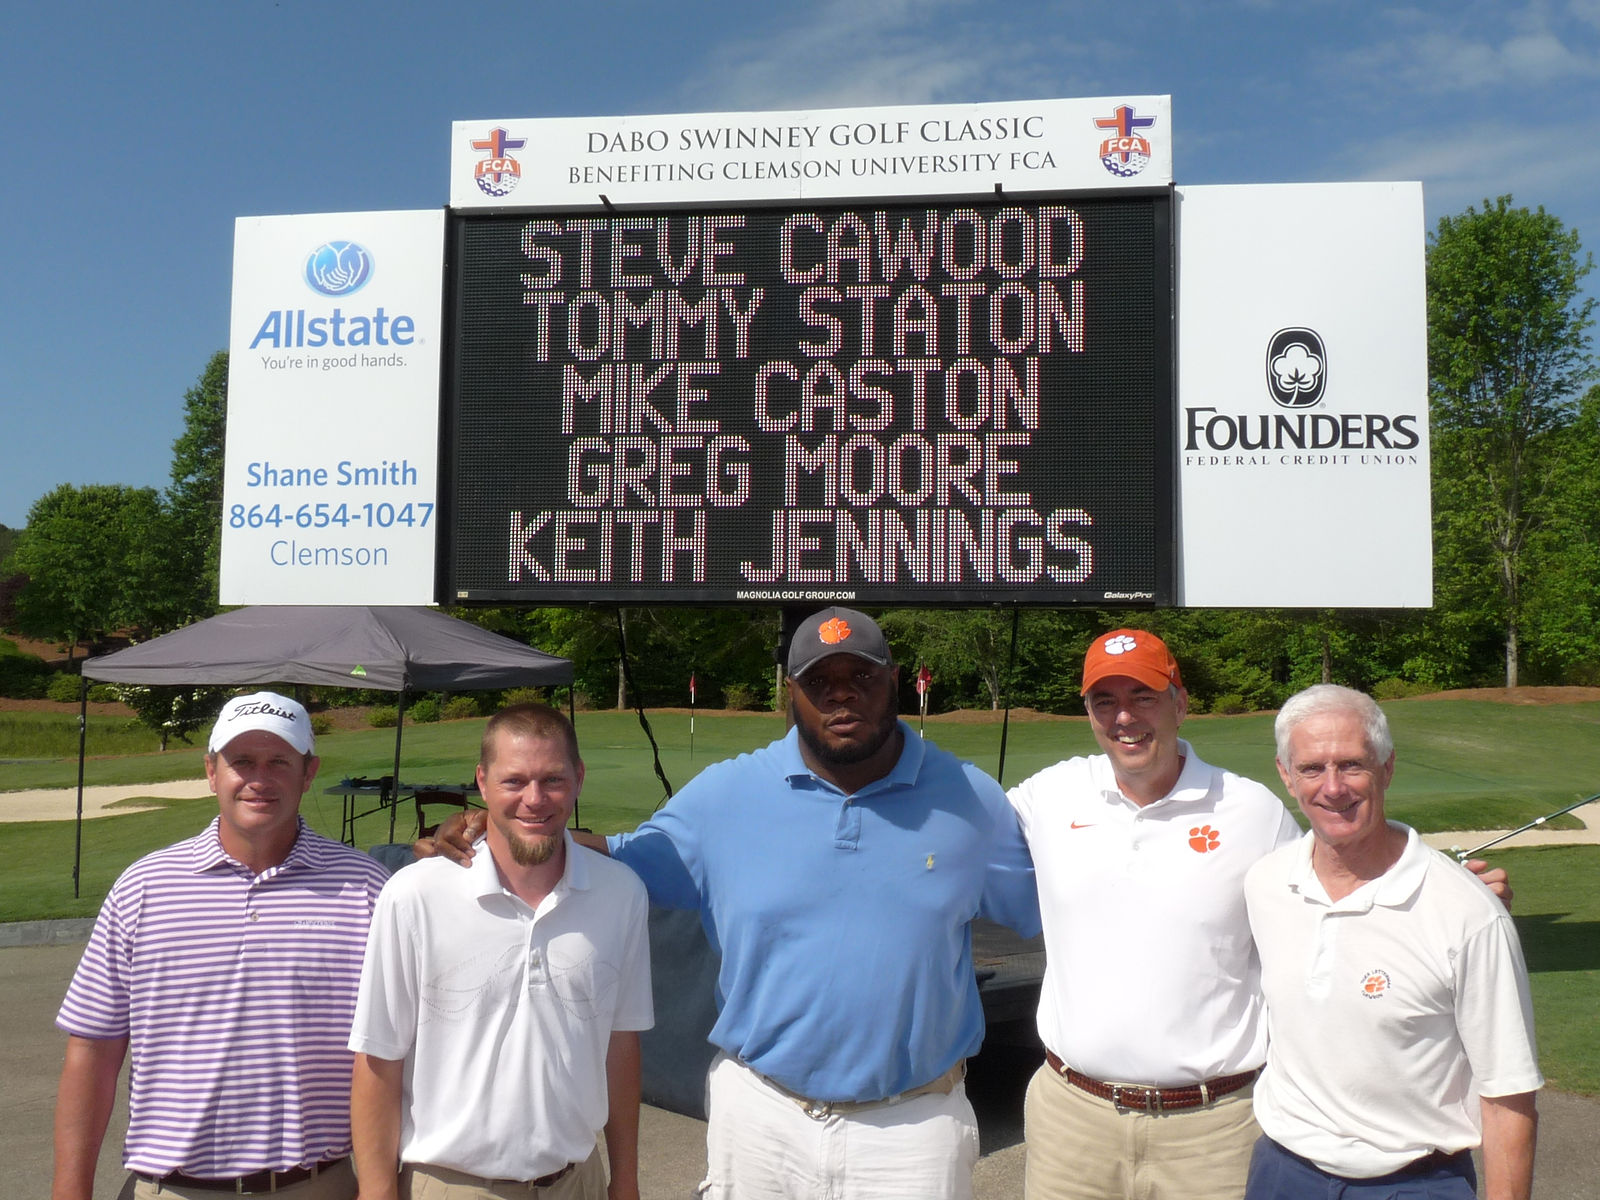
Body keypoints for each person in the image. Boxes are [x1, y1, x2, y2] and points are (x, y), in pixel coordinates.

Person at [422, 607, 1039, 1200]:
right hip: (761, 1116)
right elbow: (620, 855)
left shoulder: (968, 800)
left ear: (895, 683)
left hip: (913, 1124)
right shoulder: (726, 794)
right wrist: (499, 830)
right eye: (819, 682)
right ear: (789, 694)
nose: (841, 696)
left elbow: (1057, 908)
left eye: (862, 678)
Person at [1006, 630, 1511, 1200]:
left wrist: (1449, 894)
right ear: (1090, 713)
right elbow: (950, 839)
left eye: (1144, 696)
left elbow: (1336, 886)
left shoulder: (1252, 812)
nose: (1125, 717)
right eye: (1106, 701)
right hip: (1073, 1119)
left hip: (1213, 1129)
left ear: (1180, 702)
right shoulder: (1047, 796)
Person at [53, 692, 391, 1200]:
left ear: (309, 772)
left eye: (280, 761)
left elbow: (388, 1053)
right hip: (171, 1188)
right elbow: (93, 1050)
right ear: (212, 771)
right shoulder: (144, 887)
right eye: (242, 761)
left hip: (316, 1185)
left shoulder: (365, 887)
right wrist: (69, 1190)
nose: (259, 778)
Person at [1243, 684, 1540, 1200]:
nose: (1333, 788)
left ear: (1387, 768)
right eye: (1313, 768)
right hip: (1282, 1172)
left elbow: (1508, 1097)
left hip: (1414, 1183)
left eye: (1352, 764)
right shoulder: (1266, 883)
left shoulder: (1469, 913)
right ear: (1286, 775)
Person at [349, 703, 653, 1200]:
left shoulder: (622, 894)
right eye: (514, 781)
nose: (534, 799)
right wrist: (377, 1191)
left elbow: (621, 1047)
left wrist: (626, 1180)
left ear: (578, 778)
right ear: (482, 782)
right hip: (449, 1184)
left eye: (552, 780)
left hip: (577, 1182)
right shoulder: (415, 894)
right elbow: (379, 1057)